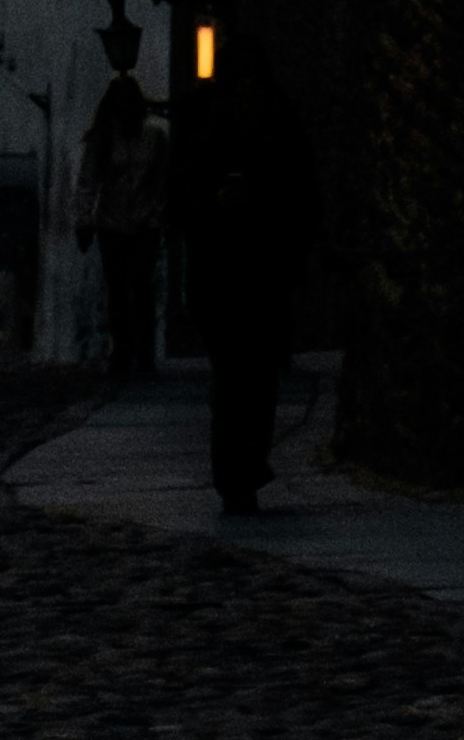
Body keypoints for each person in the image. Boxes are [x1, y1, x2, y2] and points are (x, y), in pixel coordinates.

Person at [180, 36, 318, 514]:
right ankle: (243, 467)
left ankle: (236, 470)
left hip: (239, 272)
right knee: (252, 380)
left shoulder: (220, 123)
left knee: (239, 379)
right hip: (252, 273)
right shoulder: (273, 123)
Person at [73, 64, 168, 379]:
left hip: (145, 222)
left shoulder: (155, 136)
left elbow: (164, 179)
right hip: (112, 224)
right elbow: (88, 181)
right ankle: (123, 351)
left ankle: (143, 353)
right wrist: (84, 220)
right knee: (117, 289)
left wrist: (157, 212)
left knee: (141, 287)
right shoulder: (103, 139)